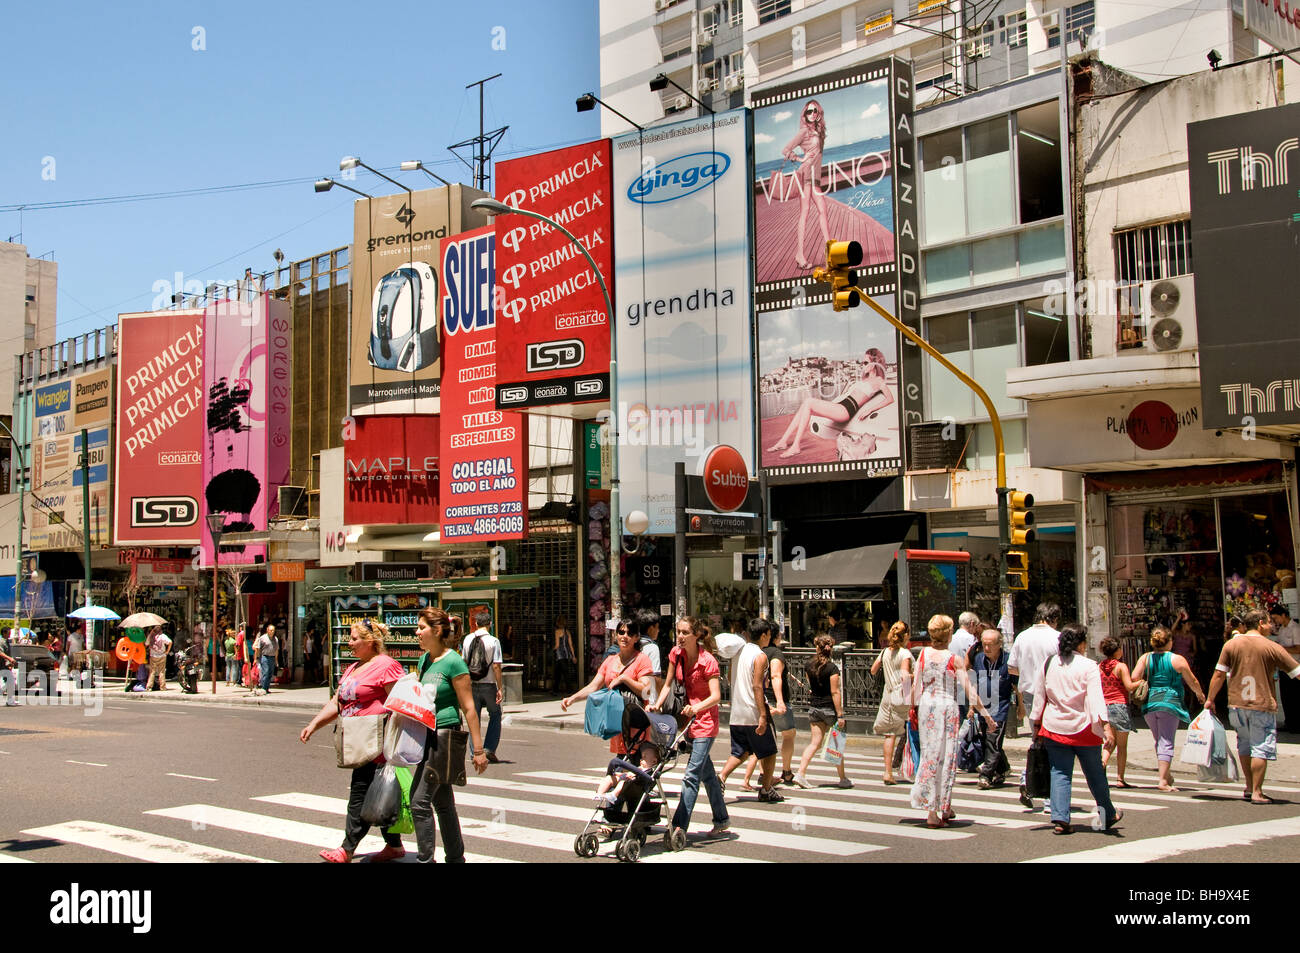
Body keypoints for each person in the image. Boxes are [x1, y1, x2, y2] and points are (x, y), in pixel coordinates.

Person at [300, 619, 407, 863]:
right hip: (356, 740)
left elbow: (399, 705)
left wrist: (396, 742)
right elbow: (338, 701)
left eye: (354, 639)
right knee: (379, 793)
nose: (350, 643)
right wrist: (314, 724)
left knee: (360, 792)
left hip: (376, 743)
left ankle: (346, 849)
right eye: (349, 638)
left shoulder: (386, 666)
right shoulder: (353, 668)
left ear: (370, 641)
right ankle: (394, 845)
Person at [409, 608, 489, 863]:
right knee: (442, 802)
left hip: (445, 736)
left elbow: (468, 708)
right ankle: (456, 858)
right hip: (426, 735)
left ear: (437, 630)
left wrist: (478, 751)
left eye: (422, 627)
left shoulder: (454, 661)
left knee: (419, 802)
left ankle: (425, 860)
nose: (417, 632)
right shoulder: (425, 661)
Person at [1030, 624, 1123, 836]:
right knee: (1095, 773)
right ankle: (1107, 812)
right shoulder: (1089, 665)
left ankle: (1061, 818)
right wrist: (1106, 728)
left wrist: (1036, 724)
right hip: (1084, 728)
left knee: (1060, 772)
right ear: (1081, 643)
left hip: (1054, 727)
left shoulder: (1049, 663)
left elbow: (1039, 697)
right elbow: (1096, 700)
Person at [1205, 609, 1300, 804]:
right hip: (1261, 704)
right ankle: (1257, 791)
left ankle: (1248, 786)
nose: (1270, 626)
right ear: (1259, 623)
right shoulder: (1271, 646)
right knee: (1260, 747)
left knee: (1245, 745)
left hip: (1237, 704)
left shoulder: (1231, 645)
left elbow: (1219, 674)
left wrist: (1210, 699)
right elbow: (1296, 671)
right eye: (1268, 622)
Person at [910, 615, 996, 827]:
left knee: (930, 757)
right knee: (946, 759)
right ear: (948, 634)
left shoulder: (922, 655)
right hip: (946, 709)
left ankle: (939, 808)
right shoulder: (953, 659)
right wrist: (986, 716)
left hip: (927, 708)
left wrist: (910, 708)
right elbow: (970, 691)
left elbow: (914, 688)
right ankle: (938, 810)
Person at [649, 616, 730, 838]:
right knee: (708, 775)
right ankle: (722, 819)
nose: (681, 637)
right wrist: (656, 705)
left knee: (691, 775)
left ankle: (679, 826)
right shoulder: (676, 654)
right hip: (687, 722)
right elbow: (667, 685)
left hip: (705, 723)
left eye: (685, 633)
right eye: (679, 632)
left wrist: (696, 708)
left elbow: (715, 697)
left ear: (696, 635)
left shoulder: (708, 661)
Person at [766, 349, 893, 460]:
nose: (862, 365)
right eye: (862, 362)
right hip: (842, 405)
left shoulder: (879, 381)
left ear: (874, 362)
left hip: (846, 410)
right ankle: (783, 441)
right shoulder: (864, 379)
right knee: (805, 405)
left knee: (809, 402)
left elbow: (889, 399)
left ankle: (796, 446)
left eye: (865, 362)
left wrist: (869, 410)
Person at [561, 622, 654, 762]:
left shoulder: (642, 660)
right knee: (626, 767)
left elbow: (646, 691)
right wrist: (572, 699)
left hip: (635, 723)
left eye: (630, 633)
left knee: (628, 767)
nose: (625, 636)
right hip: (616, 723)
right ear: (616, 635)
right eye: (621, 632)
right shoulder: (610, 660)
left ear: (636, 638)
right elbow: (593, 686)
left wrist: (624, 679)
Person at [1131, 624, 1205, 792]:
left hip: (1150, 704)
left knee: (1159, 740)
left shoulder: (1145, 658)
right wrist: (1200, 694)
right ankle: (1163, 780)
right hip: (1170, 703)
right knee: (1166, 741)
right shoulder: (1177, 659)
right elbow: (1192, 680)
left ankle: (1167, 774)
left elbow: (1135, 677)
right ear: (1169, 642)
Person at [719, 619, 784, 802]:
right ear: (763, 635)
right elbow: (757, 686)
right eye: (769, 635)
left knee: (741, 752)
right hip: (753, 713)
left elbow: (731, 678)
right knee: (769, 752)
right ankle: (766, 789)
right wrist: (763, 714)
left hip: (737, 713)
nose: (769, 638)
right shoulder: (760, 656)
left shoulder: (738, 652)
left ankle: (721, 776)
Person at [1009, 602, 1063, 807]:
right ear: (1053, 618)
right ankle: (1049, 795)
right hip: (1052, 693)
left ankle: (1027, 778)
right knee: (1051, 743)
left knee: (1038, 739)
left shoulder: (1022, 636)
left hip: (1030, 693)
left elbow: (1012, 668)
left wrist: (1028, 672)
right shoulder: (1056, 637)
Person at [793, 633, 856, 790]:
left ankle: (800, 773)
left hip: (814, 708)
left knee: (815, 743)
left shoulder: (809, 666)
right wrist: (840, 714)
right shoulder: (832, 668)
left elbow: (810, 685)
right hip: (829, 709)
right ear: (831, 649)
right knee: (836, 744)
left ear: (817, 648)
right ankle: (842, 778)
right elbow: (835, 692)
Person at [742, 623, 797, 789]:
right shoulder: (775, 653)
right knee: (789, 734)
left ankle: (761, 774)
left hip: (760, 699)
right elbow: (775, 675)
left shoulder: (757, 652)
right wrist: (780, 701)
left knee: (762, 739)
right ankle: (786, 771)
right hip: (772, 699)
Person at [781, 98, 832, 270]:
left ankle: (829, 251)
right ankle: (800, 254)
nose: (811, 114)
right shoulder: (804, 132)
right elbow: (786, 150)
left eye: (814, 111)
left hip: (815, 176)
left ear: (819, 114)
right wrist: (800, 158)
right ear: (805, 114)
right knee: (805, 212)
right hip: (805, 175)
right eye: (808, 111)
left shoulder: (818, 131)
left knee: (823, 210)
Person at [871, 621, 913, 785]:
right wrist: (914, 675)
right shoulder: (905, 654)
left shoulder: (884, 652)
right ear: (906, 636)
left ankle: (888, 771)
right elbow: (904, 677)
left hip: (887, 696)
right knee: (907, 732)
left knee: (890, 735)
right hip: (901, 696)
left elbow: (873, 670)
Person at [1098, 636, 1142, 789]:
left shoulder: (1100, 667)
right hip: (1120, 706)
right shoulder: (1121, 667)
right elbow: (1129, 686)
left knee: (1110, 742)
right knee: (1122, 746)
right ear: (1116, 651)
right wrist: (1141, 682)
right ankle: (1120, 778)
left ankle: (1102, 763)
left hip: (1105, 707)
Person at [971, 626, 1013, 789]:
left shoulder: (1008, 661)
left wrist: (1020, 706)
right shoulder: (979, 659)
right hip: (983, 706)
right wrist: (971, 707)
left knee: (993, 740)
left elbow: (1016, 685)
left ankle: (985, 775)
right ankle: (1003, 768)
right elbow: (973, 683)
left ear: (999, 644)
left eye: (990, 644)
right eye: (984, 644)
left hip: (1000, 707)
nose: (987, 648)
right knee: (988, 741)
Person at [461, 610, 504, 763]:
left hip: (472, 685)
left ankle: (474, 752)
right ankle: (489, 749)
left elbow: (463, 663)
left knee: (474, 717)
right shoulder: (494, 641)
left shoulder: (467, 640)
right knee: (496, 714)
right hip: (489, 684)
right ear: (490, 624)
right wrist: (500, 687)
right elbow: (497, 666)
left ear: (476, 624)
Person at [593, 742, 659, 808]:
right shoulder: (640, 768)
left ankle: (614, 794)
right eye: (641, 757)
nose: (641, 759)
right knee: (609, 778)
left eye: (644, 757)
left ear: (654, 761)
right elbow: (629, 773)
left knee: (623, 782)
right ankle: (599, 794)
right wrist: (620, 774)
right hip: (626, 778)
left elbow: (638, 777)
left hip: (633, 785)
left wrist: (627, 775)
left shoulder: (649, 771)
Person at [1268, 606, 1300, 730]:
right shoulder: (1282, 629)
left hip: (1294, 667)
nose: (1276, 621)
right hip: (1283, 669)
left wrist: (1281, 649)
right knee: (1286, 697)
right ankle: (1289, 722)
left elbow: (1298, 649)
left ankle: (1296, 724)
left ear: (1283, 615)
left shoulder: (1295, 628)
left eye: (1276, 618)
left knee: (1295, 697)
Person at [635, 609, 664, 698]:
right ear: (651, 628)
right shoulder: (652, 648)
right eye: (657, 627)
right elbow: (656, 676)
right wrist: (659, 700)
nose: (658, 631)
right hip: (648, 697)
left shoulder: (633, 643)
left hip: (634, 695)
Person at [553, 615, 577, 696]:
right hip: (566, 655)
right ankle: (562, 689)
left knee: (559, 673)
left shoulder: (557, 631)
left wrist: (552, 650)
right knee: (563, 672)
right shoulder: (567, 632)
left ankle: (559, 690)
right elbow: (571, 645)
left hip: (559, 655)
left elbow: (557, 645)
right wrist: (573, 656)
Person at [253, 625, 277, 696]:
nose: (272, 632)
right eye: (271, 630)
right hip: (265, 657)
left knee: (270, 673)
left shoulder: (275, 639)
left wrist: (276, 659)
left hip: (272, 657)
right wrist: (256, 658)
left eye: (273, 630)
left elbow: (276, 650)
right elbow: (257, 649)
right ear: (267, 630)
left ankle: (267, 688)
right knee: (265, 673)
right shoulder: (262, 638)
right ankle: (263, 688)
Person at [145, 626, 171, 691]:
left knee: (152, 672)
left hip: (153, 656)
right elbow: (170, 642)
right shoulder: (163, 636)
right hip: (162, 655)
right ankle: (162, 687)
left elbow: (146, 644)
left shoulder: (151, 636)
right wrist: (167, 651)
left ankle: (149, 686)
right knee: (161, 672)